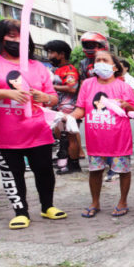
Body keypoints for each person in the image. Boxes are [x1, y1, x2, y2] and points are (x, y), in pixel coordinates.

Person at [0, 19, 66, 229]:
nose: (16, 41)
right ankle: (21, 211)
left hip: (37, 130)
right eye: (11, 36)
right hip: (3, 132)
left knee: (44, 170)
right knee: (12, 172)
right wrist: (7, 93)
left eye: (21, 37)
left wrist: (45, 97)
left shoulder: (38, 67)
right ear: (0, 37)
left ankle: (47, 206)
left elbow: (53, 98)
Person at [69, 51, 134, 218]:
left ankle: (123, 202)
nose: (100, 62)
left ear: (114, 67)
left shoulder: (123, 87)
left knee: (123, 171)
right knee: (95, 171)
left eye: (104, 60)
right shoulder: (87, 84)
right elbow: (80, 109)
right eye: (97, 60)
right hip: (95, 141)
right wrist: (66, 118)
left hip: (119, 140)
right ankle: (95, 202)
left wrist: (126, 105)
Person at [45, 40, 81, 175]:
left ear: (61, 54)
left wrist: (51, 86)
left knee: (70, 137)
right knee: (61, 137)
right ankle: (65, 160)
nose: (49, 56)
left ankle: (74, 164)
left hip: (69, 108)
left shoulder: (69, 70)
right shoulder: (55, 70)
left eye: (51, 53)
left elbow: (72, 88)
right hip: (58, 108)